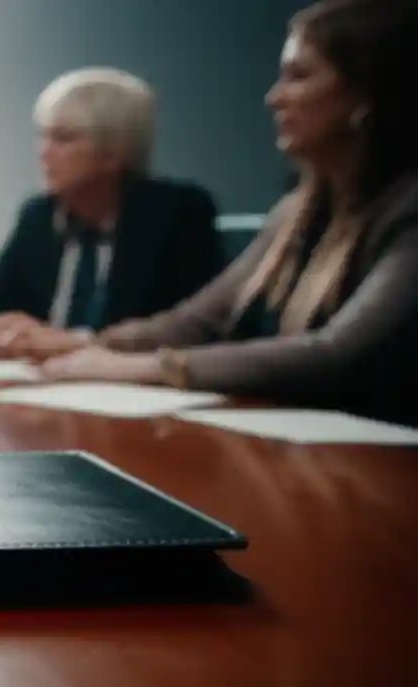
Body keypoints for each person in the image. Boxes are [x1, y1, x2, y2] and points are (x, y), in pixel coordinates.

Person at [41, 0, 418, 418]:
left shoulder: (406, 209)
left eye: (299, 76)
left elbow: (338, 355)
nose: (275, 98)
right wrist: (84, 346)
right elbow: (198, 323)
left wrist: (148, 368)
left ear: (367, 92)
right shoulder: (296, 211)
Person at [0, 68, 224, 359]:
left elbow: (199, 330)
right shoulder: (38, 216)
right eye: (43, 136)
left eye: (63, 139)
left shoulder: (177, 214)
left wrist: (73, 341)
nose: (44, 151)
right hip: (40, 387)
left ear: (114, 153)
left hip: (132, 390)